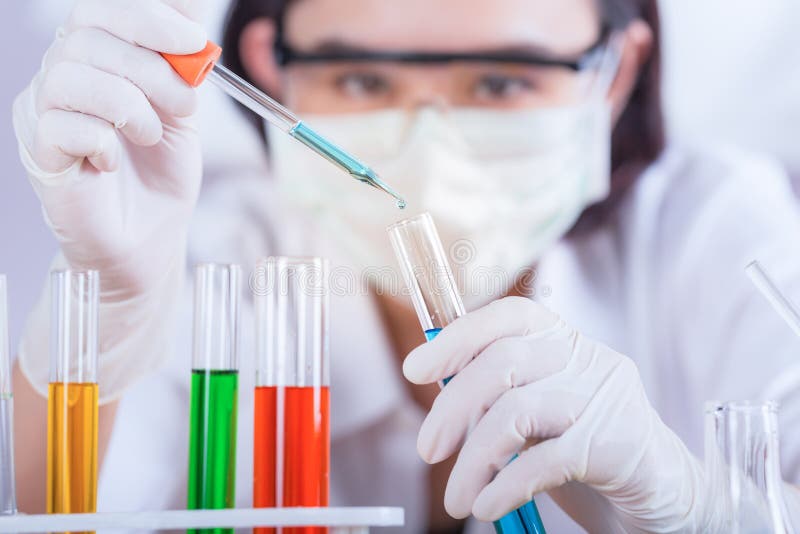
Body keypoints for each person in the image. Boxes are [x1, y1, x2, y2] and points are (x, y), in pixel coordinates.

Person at [10, 0, 800, 532]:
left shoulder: (718, 236)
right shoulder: (221, 260)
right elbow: (66, 509)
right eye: (364, 78)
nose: (431, 144)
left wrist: (694, 507)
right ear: (270, 66)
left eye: (500, 81)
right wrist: (109, 309)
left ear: (615, 72)